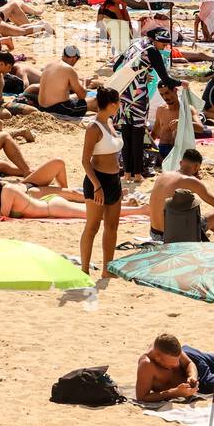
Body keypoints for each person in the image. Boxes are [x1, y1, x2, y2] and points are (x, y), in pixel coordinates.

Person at [116, 29, 173, 184]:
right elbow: (166, 79)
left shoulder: (136, 44)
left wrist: (139, 75)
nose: (164, 47)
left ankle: (127, 173)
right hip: (138, 97)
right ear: (155, 40)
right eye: (163, 43)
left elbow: (117, 67)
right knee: (138, 136)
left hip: (124, 95)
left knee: (126, 135)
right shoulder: (152, 51)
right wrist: (182, 83)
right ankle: (137, 174)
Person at [79, 87, 124, 283]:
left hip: (114, 180)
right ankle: (84, 269)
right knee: (93, 226)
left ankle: (107, 269)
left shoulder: (110, 124)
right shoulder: (93, 127)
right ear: (112, 104)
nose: (120, 106)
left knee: (112, 226)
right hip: (97, 180)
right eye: (119, 103)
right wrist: (96, 185)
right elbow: (85, 161)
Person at [148, 148, 214, 240]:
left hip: (154, 233)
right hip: (173, 237)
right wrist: (196, 182)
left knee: (190, 211)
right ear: (197, 167)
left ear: (181, 163)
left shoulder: (163, 175)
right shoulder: (192, 181)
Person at [136, 334, 214, 403]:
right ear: (157, 358)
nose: (176, 364)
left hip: (192, 356)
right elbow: (142, 397)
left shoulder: (165, 346)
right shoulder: (146, 365)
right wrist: (175, 393)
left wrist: (192, 376)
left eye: (177, 360)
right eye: (172, 364)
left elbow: (189, 363)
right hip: (203, 380)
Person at [25, 45, 94, 116]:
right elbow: (82, 95)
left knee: (71, 97)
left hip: (42, 107)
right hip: (58, 109)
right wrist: (85, 82)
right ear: (74, 59)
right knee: (89, 103)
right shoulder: (69, 69)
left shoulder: (49, 65)